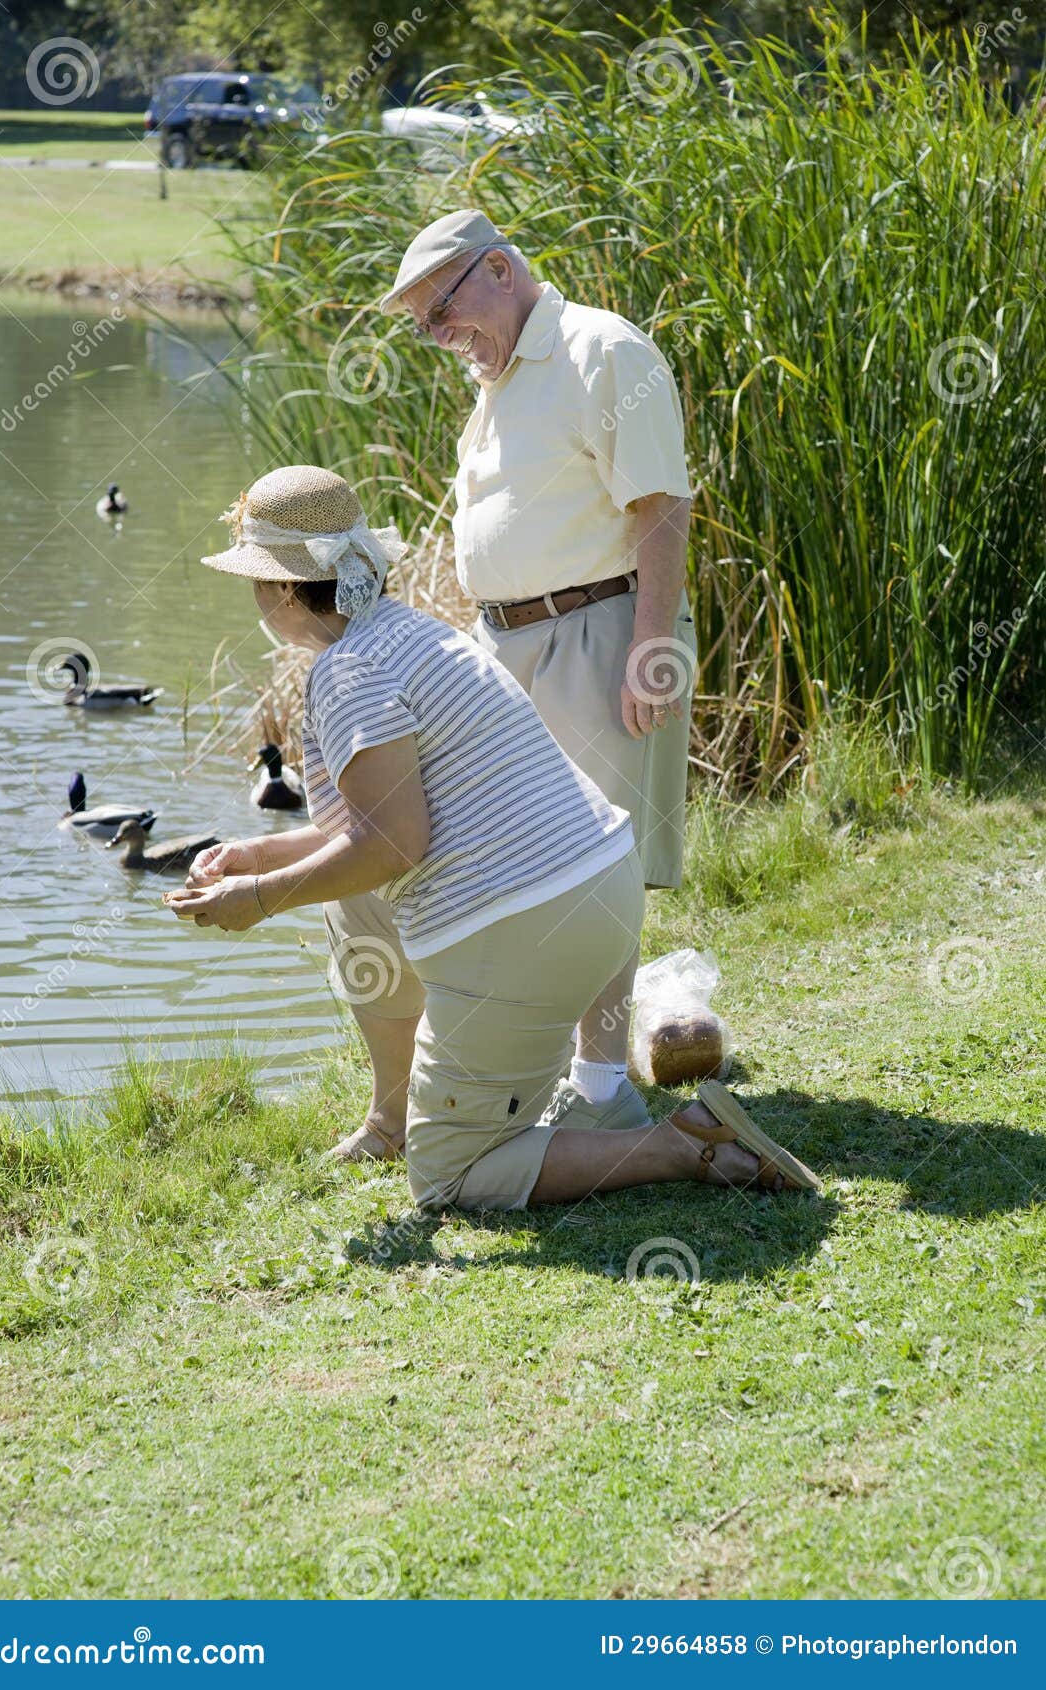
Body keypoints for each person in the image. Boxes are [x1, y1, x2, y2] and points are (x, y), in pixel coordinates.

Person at [165, 465, 821, 1211]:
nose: (251, 597)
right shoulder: (410, 632)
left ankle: (685, 1145)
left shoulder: (346, 674)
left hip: (526, 930)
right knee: (350, 905)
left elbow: (395, 847)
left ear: (284, 590)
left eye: (254, 580)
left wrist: (259, 899)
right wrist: (259, 855)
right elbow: (368, 826)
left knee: (451, 1178)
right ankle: (393, 1120)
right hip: (599, 901)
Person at [322, 209, 697, 1163]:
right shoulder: (497, 373)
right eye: (423, 326)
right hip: (508, 646)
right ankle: (503, 1078)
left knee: (594, 863)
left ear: (498, 270)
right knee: (503, 852)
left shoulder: (599, 350)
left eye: (441, 314)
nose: (437, 339)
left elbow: (661, 503)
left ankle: (605, 1093)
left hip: (597, 631)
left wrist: (649, 644)